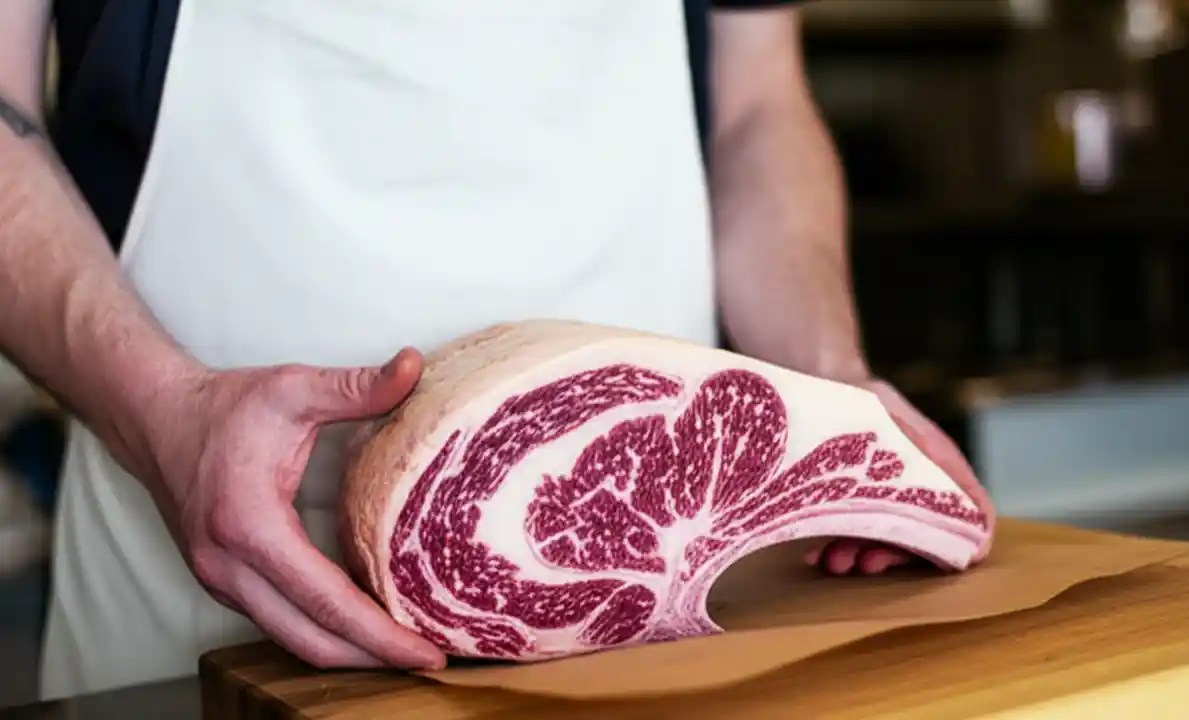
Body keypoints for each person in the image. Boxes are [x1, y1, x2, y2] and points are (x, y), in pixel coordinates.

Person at [0, 0, 994, 701]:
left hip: (645, 580)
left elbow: (754, 109)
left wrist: (823, 396)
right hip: (199, 589)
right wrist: (162, 408)